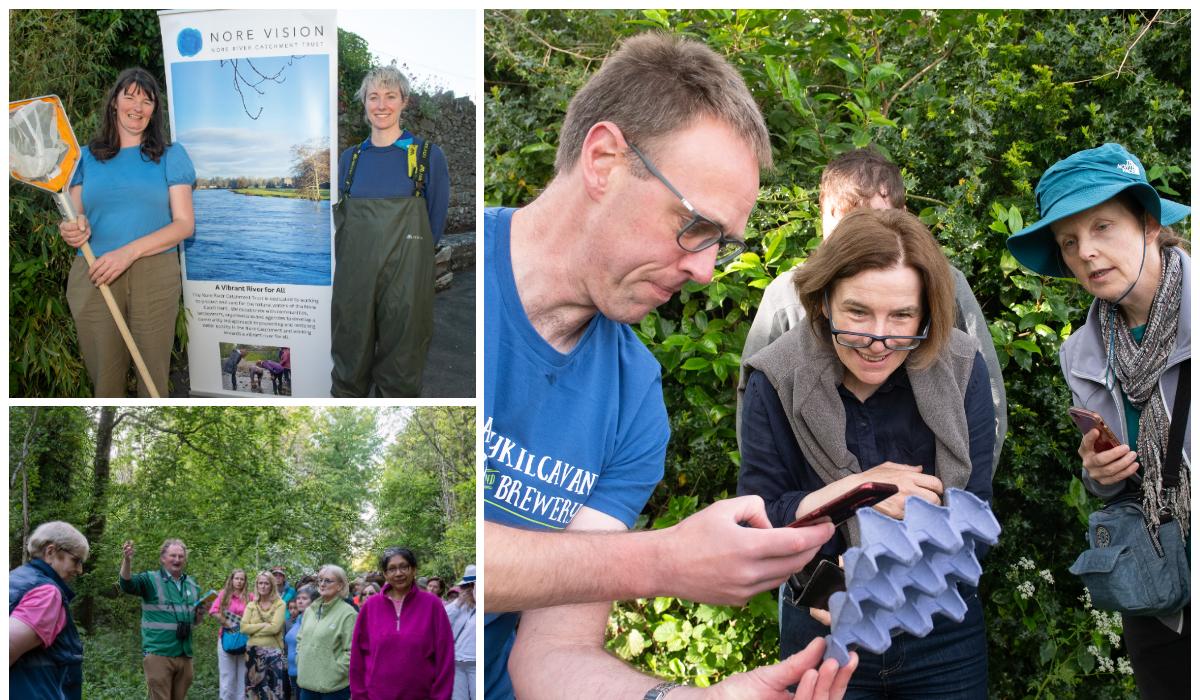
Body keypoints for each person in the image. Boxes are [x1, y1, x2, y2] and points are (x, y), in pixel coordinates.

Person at [484, 32, 854, 700]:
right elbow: (416, 546)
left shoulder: (633, 398)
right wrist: (661, 560)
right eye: (694, 227)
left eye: (720, 243)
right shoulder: (442, 281)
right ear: (604, 160)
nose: (706, 271)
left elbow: (547, 656)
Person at [739, 208, 996, 697]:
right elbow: (759, 520)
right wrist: (857, 492)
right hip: (822, 629)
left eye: (902, 315)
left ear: (926, 313)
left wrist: (885, 591)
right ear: (824, 303)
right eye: (858, 312)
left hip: (943, 632)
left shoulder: (962, 368)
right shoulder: (775, 380)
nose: (879, 339)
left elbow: (975, 513)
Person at [1005, 143, 1190, 699]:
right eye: (1069, 241)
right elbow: (1116, 486)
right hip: (1158, 588)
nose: (1086, 252)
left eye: (1103, 227)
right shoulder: (1084, 354)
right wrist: (1098, 473)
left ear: (1150, 224)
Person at [739, 147, 1007, 472]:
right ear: (822, 216)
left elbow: (984, 390)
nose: (862, 236)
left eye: (902, 314)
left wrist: (970, 475)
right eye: (847, 221)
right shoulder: (784, 294)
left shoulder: (944, 282)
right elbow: (757, 408)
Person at [56, 66, 195, 397]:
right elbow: (75, 216)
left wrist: (128, 252)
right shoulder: (84, 158)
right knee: (105, 378)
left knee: (153, 378)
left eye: (147, 101)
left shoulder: (171, 155)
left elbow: (184, 224)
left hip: (155, 272)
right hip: (95, 272)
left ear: (154, 110)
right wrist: (73, 228)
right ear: (114, 103)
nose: (137, 107)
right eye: (129, 96)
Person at [331, 64, 450, 398]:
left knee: (401, 369)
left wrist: (406, 260)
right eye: (373, 97)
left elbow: (434, 225)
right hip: (354, 281)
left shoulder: (427, 157)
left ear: (404, 101)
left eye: (390, 96)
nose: (381, 105)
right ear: (364, 104)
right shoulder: (350, 161)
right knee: (347, 366)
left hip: (407, 280)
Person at [349, 548, 453, 700]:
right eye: (391, 569)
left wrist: (440, 697)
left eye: (404, 567)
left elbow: (445, 656)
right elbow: (358, 657)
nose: (398, 573)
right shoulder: (371, 606)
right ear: (385, 574)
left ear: (413, 569)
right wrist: (359, 696)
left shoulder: (432, 605)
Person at [9, 521, 89, 700]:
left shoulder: (14, 579)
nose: (79, 570)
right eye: (76, 560)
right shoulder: (47, 593)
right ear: (50, 552)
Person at [118, 538, 205, 700]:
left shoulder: (193, 585)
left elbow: (196, 622)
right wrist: (127, 560)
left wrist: (199, 614)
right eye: (173, 555)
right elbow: (126, 584)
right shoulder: (151, 579)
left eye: (181, 556)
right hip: (159, 654)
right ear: (163, 558)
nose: (177, 560)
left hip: (185, 654)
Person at [296, 564, 357, 700]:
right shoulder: (310, 610)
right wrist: (300, 659)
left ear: (340, 585)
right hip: (307, 684)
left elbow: (352, 650)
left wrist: (335, 671)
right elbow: (300, 639)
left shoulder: (348, 613)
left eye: (328, 580)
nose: (322, 584)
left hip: (333, 688)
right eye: (320, 580)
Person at [242, 571, 287, 699]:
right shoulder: (251, 605)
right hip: (252, 653)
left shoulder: (280, 604)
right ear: (256, 585)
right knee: (254, 691)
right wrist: (263, 625)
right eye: (260, 583)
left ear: (272, 585)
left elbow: (275, 628)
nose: (263, 586)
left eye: (266, 583)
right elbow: (243, 628)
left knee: (273, 691)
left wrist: (254, 629)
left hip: (273, 653)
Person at [209, 568, 249, 700]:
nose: (239, 581)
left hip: (244, 640)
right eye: (236, 578)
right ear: (231, 580)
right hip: (226, 638)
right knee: (227, 676)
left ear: (245, 581)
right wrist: (227, 623)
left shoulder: (250, 597)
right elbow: (214, 610)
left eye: (242, 579)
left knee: (242, 677)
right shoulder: (224, 594)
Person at [443, 565, 476, 700]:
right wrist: (458, 603)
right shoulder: (459, 605)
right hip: (456, 661)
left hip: (475, 662)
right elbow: (443, 620)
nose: (467, 590)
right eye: (466, 587)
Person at [285, 586, 316, 700]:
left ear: (313, 601)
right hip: (293, 673)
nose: (300, 601)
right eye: (298, 598)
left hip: (306, 673)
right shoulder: (298, 618)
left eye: (304, 598)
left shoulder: (314, 619)